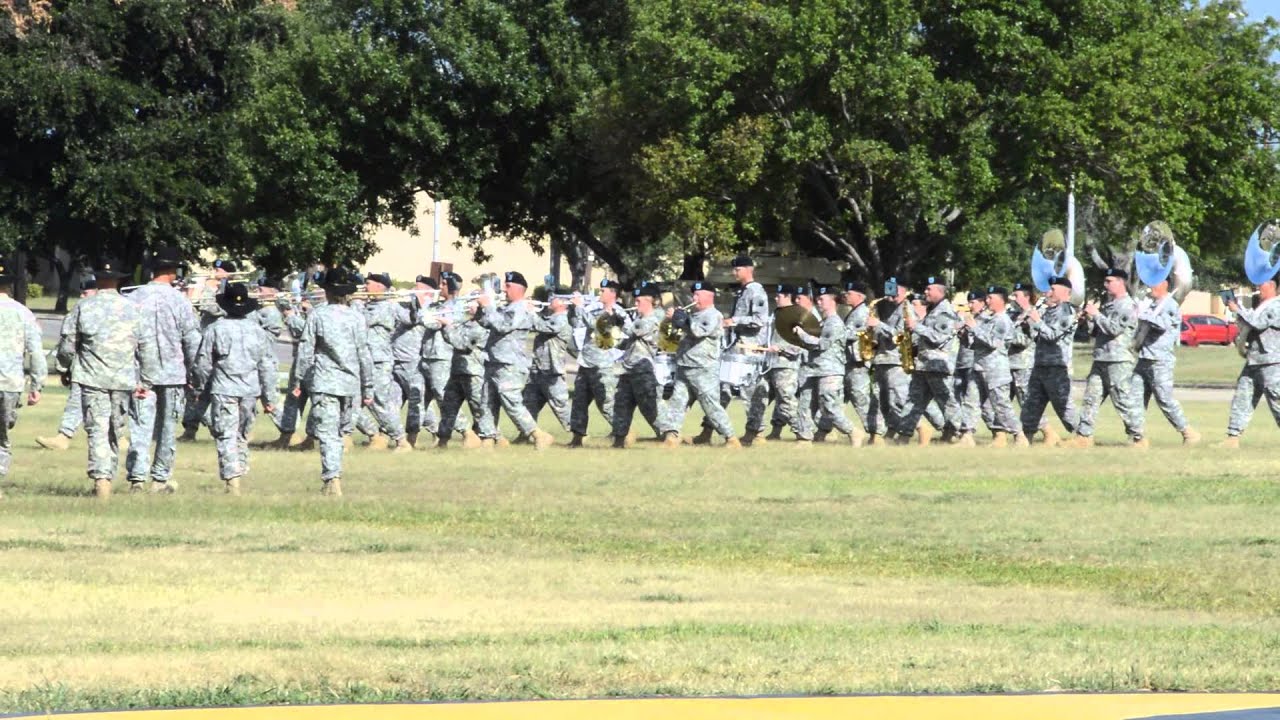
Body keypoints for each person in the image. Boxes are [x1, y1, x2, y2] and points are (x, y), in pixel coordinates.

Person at [56, 257, 158, 498]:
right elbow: (147, 347)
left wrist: (64, 368)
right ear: (118, 280)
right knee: (114, 429)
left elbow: (68, 343)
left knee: (98, 429)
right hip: (123, 380)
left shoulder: (84, 307)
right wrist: (146, 381)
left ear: (98, 279)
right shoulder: (133, 309)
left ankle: (102, 479)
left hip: (92, 379)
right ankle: (105, 477)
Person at [124, 246, 201, 493]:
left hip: (140, 373)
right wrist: (195, 375)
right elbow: (191, 341)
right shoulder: (180, 301)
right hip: (173, 373)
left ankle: (137, 477)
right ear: (172, 272)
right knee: (168, 428)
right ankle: (160, 478)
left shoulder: (133, 298)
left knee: (140, 425)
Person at [293, 269, 373, 496]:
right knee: (341, 432)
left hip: (325, 382)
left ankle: (332, 478)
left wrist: (299, 379)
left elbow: (306, 349)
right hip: (350, 383)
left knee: (327, 433)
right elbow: (364, 354)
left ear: (327, 291)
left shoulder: (317, 316)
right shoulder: (357, 317)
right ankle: (333, 475)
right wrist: (368, 386)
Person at [191, 283, 277, 494]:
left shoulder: (215, 329)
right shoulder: (257, 332)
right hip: (250, 390)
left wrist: (198, 388)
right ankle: (239, 470)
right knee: (242, 435)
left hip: (224, 388)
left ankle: (232, 478)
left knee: (227, 434)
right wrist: (269, 397)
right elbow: (267, 365)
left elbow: (203, 363)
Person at [691, 255, 769, 445]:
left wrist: (734, 321)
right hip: (735, 345)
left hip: (750, 347)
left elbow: (760, 320)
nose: (734, 273)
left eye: (738, 269)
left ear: (749, 269)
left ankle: (755, 432)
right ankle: (708, 430)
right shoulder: (741, 292)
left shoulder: (756, 291)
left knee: (749, 391)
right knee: (722, 389)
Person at [657, 281, 741, 448]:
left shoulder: (713, 315)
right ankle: (671, 437)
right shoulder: (693, 314)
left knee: (711, 406)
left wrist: (682, 319)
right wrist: (674, 319)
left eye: (698, 295)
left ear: (709, 296)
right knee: (677, 403)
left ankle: (730, 437)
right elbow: (678, 332)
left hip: (703, 369)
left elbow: (697, 331)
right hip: (685, 365)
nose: (694, 298)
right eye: (693, 295)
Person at [478, 271, 555, 449]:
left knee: (512, 403)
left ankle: (538, 434)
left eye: (508, 286)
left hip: (509, 364)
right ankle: (487, 440)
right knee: (487, 403)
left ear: (519, 289)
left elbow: (503, 326)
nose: (504, 289)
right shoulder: (507, 308)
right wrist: (480, 310)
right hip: (494, 361)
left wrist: (489, 306)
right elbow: (489, 323)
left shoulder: (520, 308)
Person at [1068, 268, 1144, 448]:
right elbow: (1097, 331)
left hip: (1118, 359)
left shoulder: (1127, 305)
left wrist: (1096, 315)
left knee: (1122, 400)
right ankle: (1084, 436)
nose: (1106, 285)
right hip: (1102, 357)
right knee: (1091, 398)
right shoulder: (1109, 305)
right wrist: (1087, 320)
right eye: (1105, 281)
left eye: (1109, 281)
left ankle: (1138, 435)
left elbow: (1113, 329)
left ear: (1121, 282)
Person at [895, 276, 969, 446]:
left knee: (947, 403)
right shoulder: (933, 310)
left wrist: (917, 327)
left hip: (937, 365)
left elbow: (939, 337)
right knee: (913, 401)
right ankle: (904, 436)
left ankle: (963, 434)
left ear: (940, 291)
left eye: (929, 289)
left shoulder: (944, 312)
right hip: (924, 365)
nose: (925, 292)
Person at [1132, 275, 1200, 444]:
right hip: (1144, 358)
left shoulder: (1170, 305)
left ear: (1164, 284)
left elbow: (1162, 325)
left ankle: (1188, 432)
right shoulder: (1151, 305)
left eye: (1153, 284)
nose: (1150, 288)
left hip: (1160, 360)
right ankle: (1137, 437)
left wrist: (1144, 315)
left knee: (1164, 399)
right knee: (1135, 398)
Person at [791, 284, 861, 445]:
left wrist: (802, 334)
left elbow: (822, 344)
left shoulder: (834, 323)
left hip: (830, 371)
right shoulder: (824, 322)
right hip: (814, 369)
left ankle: (852, 431)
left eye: (822, 299)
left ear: (833, 302)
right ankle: (804, 438)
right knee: (805, 405)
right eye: (818, 300)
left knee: (829, 407)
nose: (819, 302)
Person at [0, 258, 46, 498]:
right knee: (2, 436)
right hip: (9, 384)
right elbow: (35, 351)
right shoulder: (22, 313)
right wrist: (37, 384)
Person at [1220, 270, 1280, 447]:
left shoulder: (1276, 306)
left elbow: (1259, 323)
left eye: (1261, 284)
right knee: (1243, 398)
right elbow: (1250, 324)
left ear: (1271, 286)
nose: (1257, 288)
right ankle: (1233, 438)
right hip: (1254, 359)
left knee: (1276, 401)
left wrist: (1238, 309)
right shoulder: (1261, 306)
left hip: (1272, 361)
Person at [353, 272, 412, 452]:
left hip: (379, 361)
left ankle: (401, 440)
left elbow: (411, 319)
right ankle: (372, 436)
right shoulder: (367, 305)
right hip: (364, 360)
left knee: (377, 402)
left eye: (368, 284)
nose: (365, 288)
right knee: (353, 401)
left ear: (379, 286)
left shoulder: (388, 307)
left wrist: (356, 303)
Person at [963, 286, 1028, 447]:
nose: (987, 301)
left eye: (990, 298)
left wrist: (974, 328)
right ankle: (967, 436)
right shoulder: (988, 319)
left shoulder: (1003, 320)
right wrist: (965, 333)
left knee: (1001, 406)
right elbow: (976, 344)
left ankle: (1019, 435)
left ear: (1001, 300)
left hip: (996, 370)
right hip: (979, 366)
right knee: (971, 402)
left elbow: (993, 342)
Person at [1018, 276, 1080, 442]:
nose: (1048, 292)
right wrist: (1027, 322)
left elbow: (1053, 335)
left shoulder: (1068, 311)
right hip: (1040, 364)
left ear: (1065, 292)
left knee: (1064, 407)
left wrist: (1036, 320)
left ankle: (1082, 435)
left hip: (1057, 367)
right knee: (1031, 405)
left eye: (1053, 289)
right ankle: (1025, 438)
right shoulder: (1047, 310)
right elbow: (1036, 336)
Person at [36, 279, 97, 451]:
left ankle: (64, 436)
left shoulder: (81, 310)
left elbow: (68, 343)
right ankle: (118, 438)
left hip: (86, 368)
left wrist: (64, 367)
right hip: (116, 371)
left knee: (77, 401)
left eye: (85, 293)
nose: (81, 296)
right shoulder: (122, 308)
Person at [569, 279, 627, 446]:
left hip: (603, 364)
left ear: (613, 294)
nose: (599, 293)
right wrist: (573, 310)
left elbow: (598, 325)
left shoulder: (619, 313)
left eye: (603, 291)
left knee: (606, 403)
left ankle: (623, 433)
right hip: (586, 361)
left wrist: (580, 306)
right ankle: (577, 437)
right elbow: (577, 323)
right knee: (579, 401)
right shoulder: (594, 309)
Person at [611, 281, 664, 447]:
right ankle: (619, 440)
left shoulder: (654, 318)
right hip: (628, 367)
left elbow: (634, 330)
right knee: (621, 405)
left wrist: (620, 318)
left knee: (649, 407)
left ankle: (669, 434)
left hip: (643, 369)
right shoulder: (640, 319)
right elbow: (631, 341)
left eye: (639, 301)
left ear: (651, 301)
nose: (635, 304)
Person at [749, 284, 803, 443]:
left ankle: (803, 434)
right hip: (769, 364)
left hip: (786, 365)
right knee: (758, 397)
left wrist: (780, 348)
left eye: (779, 296)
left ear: (788, 297)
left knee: (787, 400)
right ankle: (752, 433)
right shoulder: (775, 314)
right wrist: (761, 348)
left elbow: (800, 344)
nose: (775, 298)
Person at [435, 296, 489, 449]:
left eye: (474, 303)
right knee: (448, 407)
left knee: (479, 409)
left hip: (473, 372)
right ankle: (442, 441)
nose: (469, 306)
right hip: (457, 370)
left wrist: (448, 326)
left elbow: (462, 344)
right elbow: (450, 339)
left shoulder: (481, 326)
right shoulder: (466, 323)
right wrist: (446, 324)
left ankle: (490, 438)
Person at [1007, 281, 1054, 443]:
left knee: (1026, 402)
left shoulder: (1033, 315)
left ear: (1027, 297)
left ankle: (1048, 432)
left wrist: (1005, 338)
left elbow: (1026, 340)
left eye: (1017, 295)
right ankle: (1001, 435)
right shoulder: (1012, 315)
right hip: (1009, 363)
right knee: (1003, 401)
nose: (1013, 298)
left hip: (1024, 364)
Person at [419, 272, 462, 448]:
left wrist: (424, 302)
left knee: (444, 398)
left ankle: (466, 431)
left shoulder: (457, 307)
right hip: (428, 355)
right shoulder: (439, 305)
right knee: (420, 398)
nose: (441, 287)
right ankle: (412, 438)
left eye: (444, 284)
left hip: (442, 356)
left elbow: (431, 323)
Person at [524, 294, 574, 434]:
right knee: (529, 403)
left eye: (555, 299)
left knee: (560, 405)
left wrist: (531, 312)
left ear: (563, 304)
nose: (550, 301)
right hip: (538, 369)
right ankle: (526, 433)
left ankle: (578, 433)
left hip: (552, 370)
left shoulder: (562, 319)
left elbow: (544, 327)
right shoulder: (551, 318)